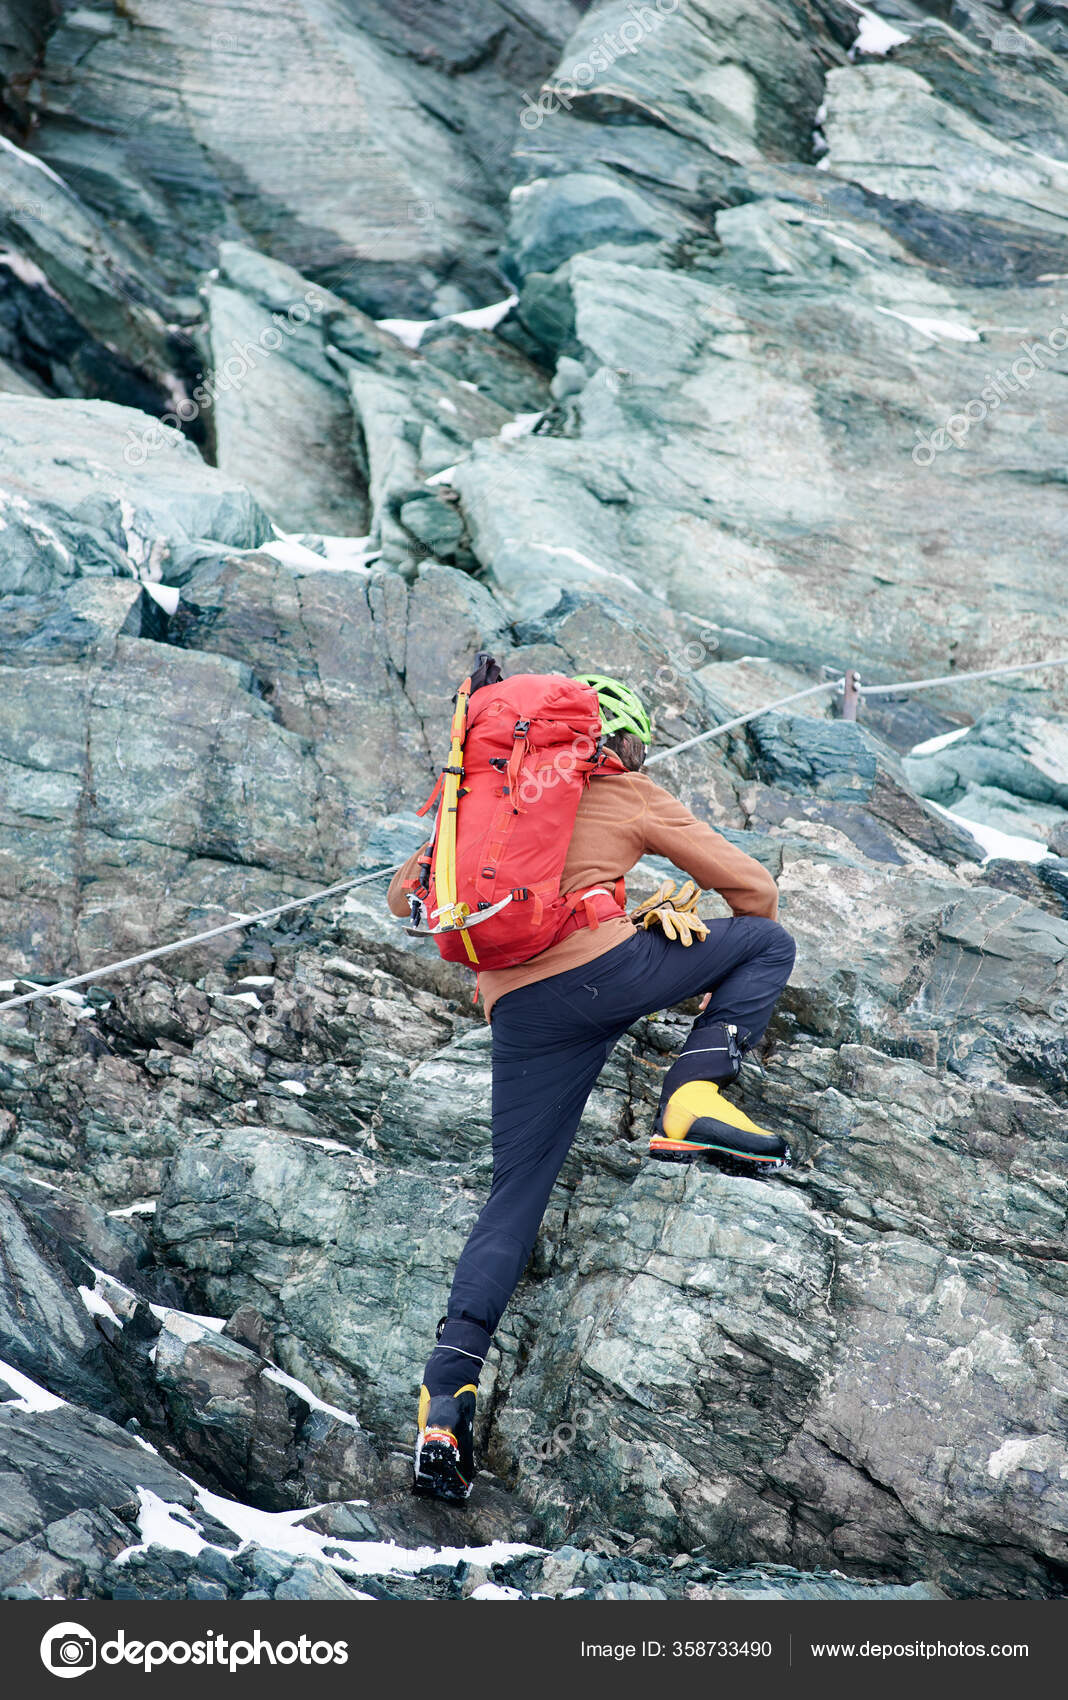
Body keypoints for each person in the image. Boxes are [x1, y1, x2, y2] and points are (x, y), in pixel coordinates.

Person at [386, 673, 796, 1503]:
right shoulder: (628, 791)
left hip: (520, 1012)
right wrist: (636, 916)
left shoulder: (479, 805)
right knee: (765, 945)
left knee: (514, 1197)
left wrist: (610, 905)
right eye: (636, 744)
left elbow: (406, 896)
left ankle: (444, 1405)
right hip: (606, 973)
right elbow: (755, 892)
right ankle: (692, 1099)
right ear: (616, 741)